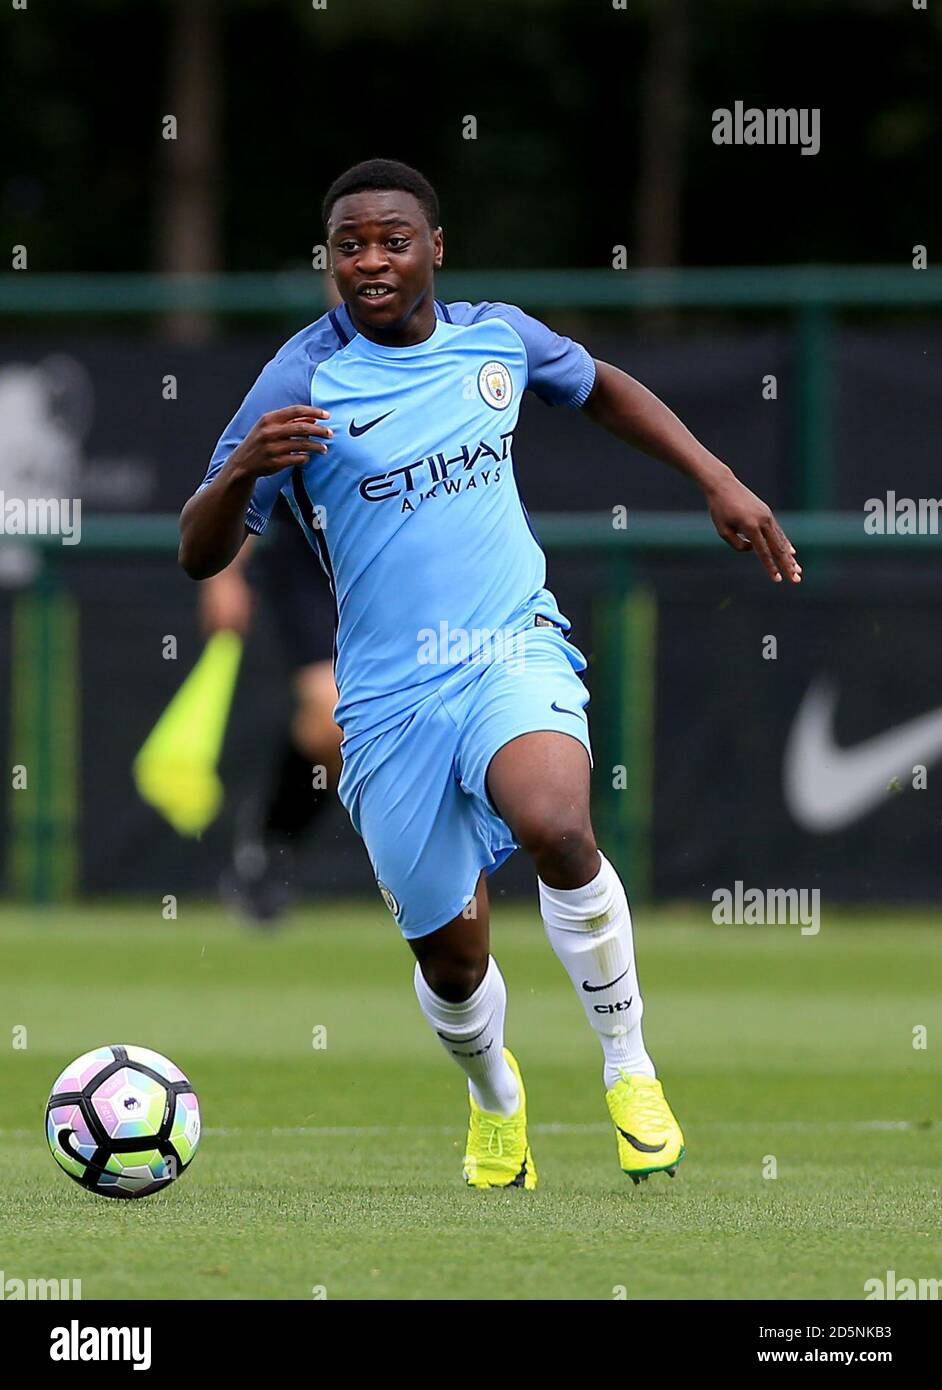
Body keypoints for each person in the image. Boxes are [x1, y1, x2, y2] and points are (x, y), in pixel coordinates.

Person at [179, 158, 801, 1190]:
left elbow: (602, 388)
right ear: (329, 260)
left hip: (511, 648)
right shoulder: (301, 379)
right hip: (386, 703)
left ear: (436, 249)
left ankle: (628, 1065)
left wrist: (718, 478)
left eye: (393, 240)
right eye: (350, 246)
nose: (371, 261)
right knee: (455, 964)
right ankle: (494, 1095)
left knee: (558, 822)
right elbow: (202, 549)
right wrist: (243, 468)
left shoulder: (497, 338)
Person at [198, 498, 342, 922]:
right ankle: (270, 844)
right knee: (334, 719)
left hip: (401, 563)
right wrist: (223, 573)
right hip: (311, 563)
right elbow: (250, 470)